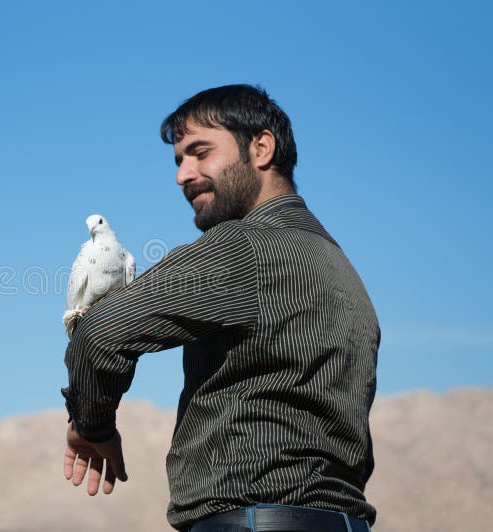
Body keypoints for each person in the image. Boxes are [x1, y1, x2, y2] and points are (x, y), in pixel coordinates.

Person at [61, 84, 379, 532]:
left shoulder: (243, 247)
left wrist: (91, 427)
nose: (182, 175)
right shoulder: (339, 268)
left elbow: (100, 333)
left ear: (262, 147)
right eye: (178, 161)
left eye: (200, 152)